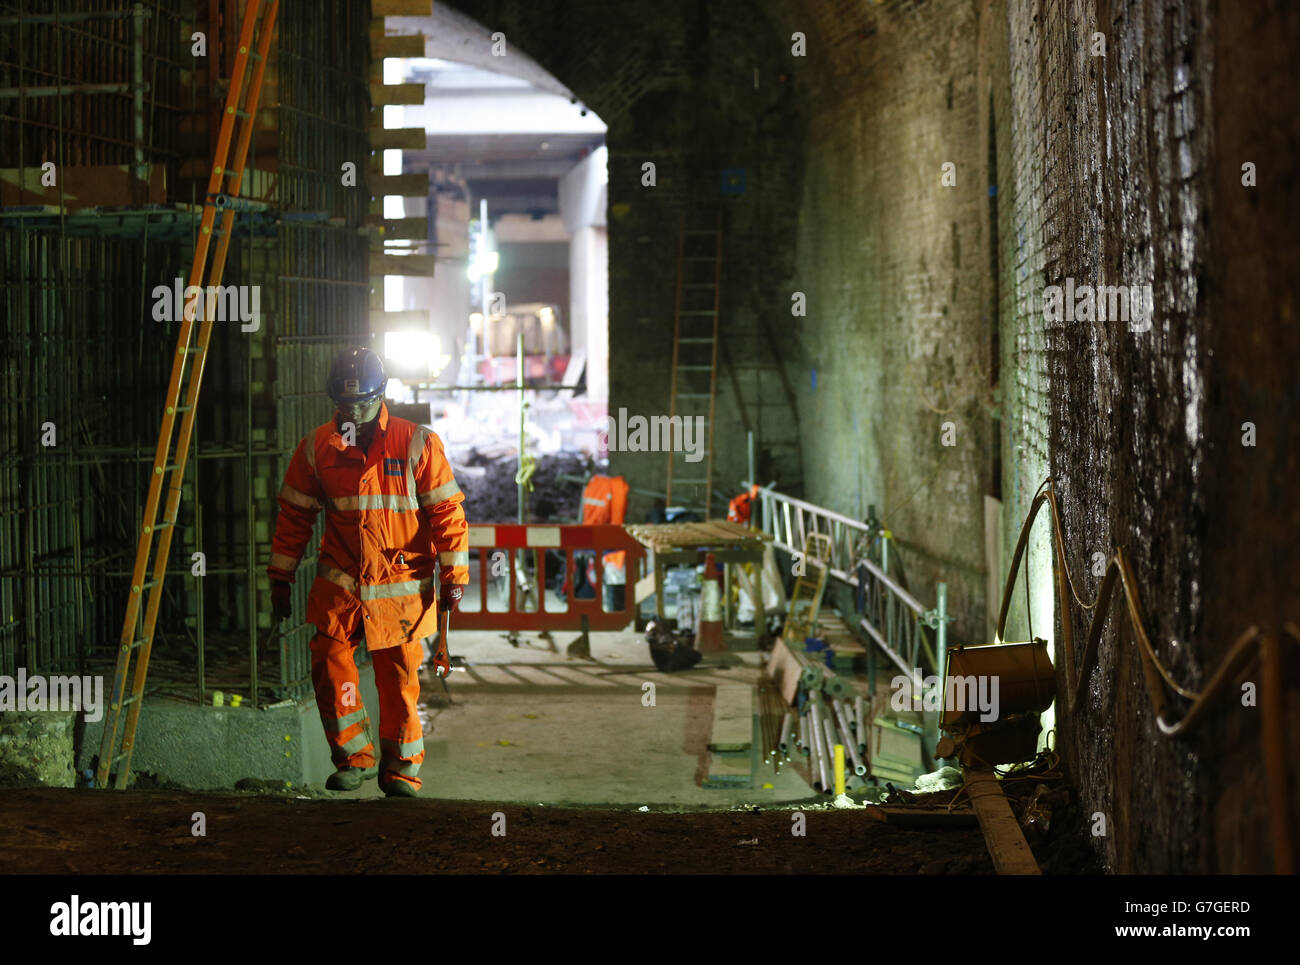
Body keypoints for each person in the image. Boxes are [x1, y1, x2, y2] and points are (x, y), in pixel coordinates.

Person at [266, 346, 468, 797]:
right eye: (344, 404)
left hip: (399, 587)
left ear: (382, 395)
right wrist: (280, 574)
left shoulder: (416, 442)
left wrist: (455, 576)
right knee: (330, 661)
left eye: (362, 402)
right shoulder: (319, 447)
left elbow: (447, 513)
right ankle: (353, 758)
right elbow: (294, 514)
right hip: (341, 583)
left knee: (398, 680)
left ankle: (401, 771)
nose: (353, 411)